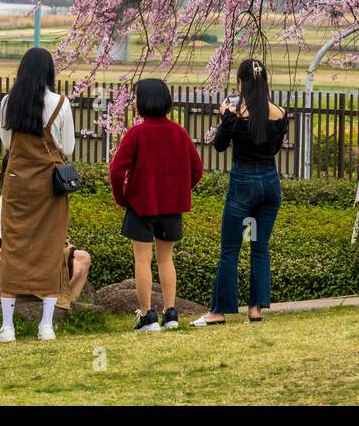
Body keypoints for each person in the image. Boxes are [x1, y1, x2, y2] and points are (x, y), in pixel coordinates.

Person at [0, 47, 84, 344]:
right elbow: (67, 148)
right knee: (50, 246)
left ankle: (7, 327)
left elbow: (8, 144)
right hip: (49, 187)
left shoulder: (8, 102)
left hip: (17, 184)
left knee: (14, 246)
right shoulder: (60, 103)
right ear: (49, 72)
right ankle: (46, 325)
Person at [191, 58, 288, 327]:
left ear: (240, 83)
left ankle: (218, 311)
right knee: (259, 247)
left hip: (243, 183)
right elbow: (274, 148)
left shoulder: (235, 113)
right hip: (270, 183)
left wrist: (226, 117)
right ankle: (255, 309)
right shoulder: (279, 113)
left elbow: (220, 146)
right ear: (265, 81)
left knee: (230, 249)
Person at [108, 78, 204, 331]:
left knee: (142, 260)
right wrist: (180, 190)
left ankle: (147, 316)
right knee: (166, 259)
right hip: (171, 207)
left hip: (142, 206)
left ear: (142, 102)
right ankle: (170, 313)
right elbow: (197, 169)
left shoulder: (136, 133)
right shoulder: (179, 132)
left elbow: (117, 170)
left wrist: (122, 197)